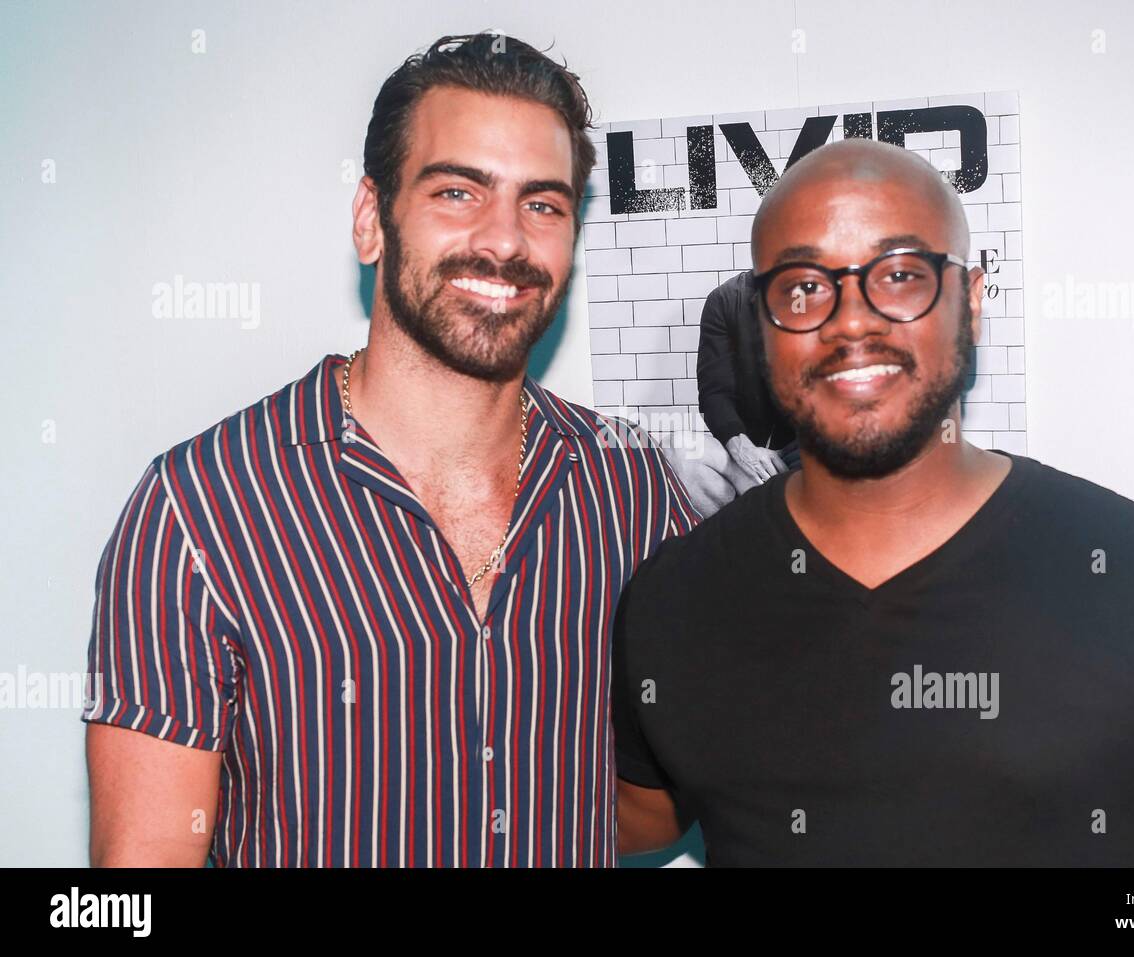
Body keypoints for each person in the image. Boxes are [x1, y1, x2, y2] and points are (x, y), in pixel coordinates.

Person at [81, 32, 697, 868]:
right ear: (373, 220)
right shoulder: (201, 507)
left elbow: (647, 810)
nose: (505, 240)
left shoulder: (631, 487)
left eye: (543, 204)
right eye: (458, 192)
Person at [612, 137, 1134, 866]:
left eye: (901, 274)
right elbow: (634, 822)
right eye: (805, 286)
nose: (851, 320)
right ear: (764, 325)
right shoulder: (675, 598)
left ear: (971, 303)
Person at [697, 269, 799, 484]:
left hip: (803, 453)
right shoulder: (725, 299)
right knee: (678, 448)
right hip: (746, 449)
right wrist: (741, 447)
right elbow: (714, 392)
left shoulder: (823, 297)